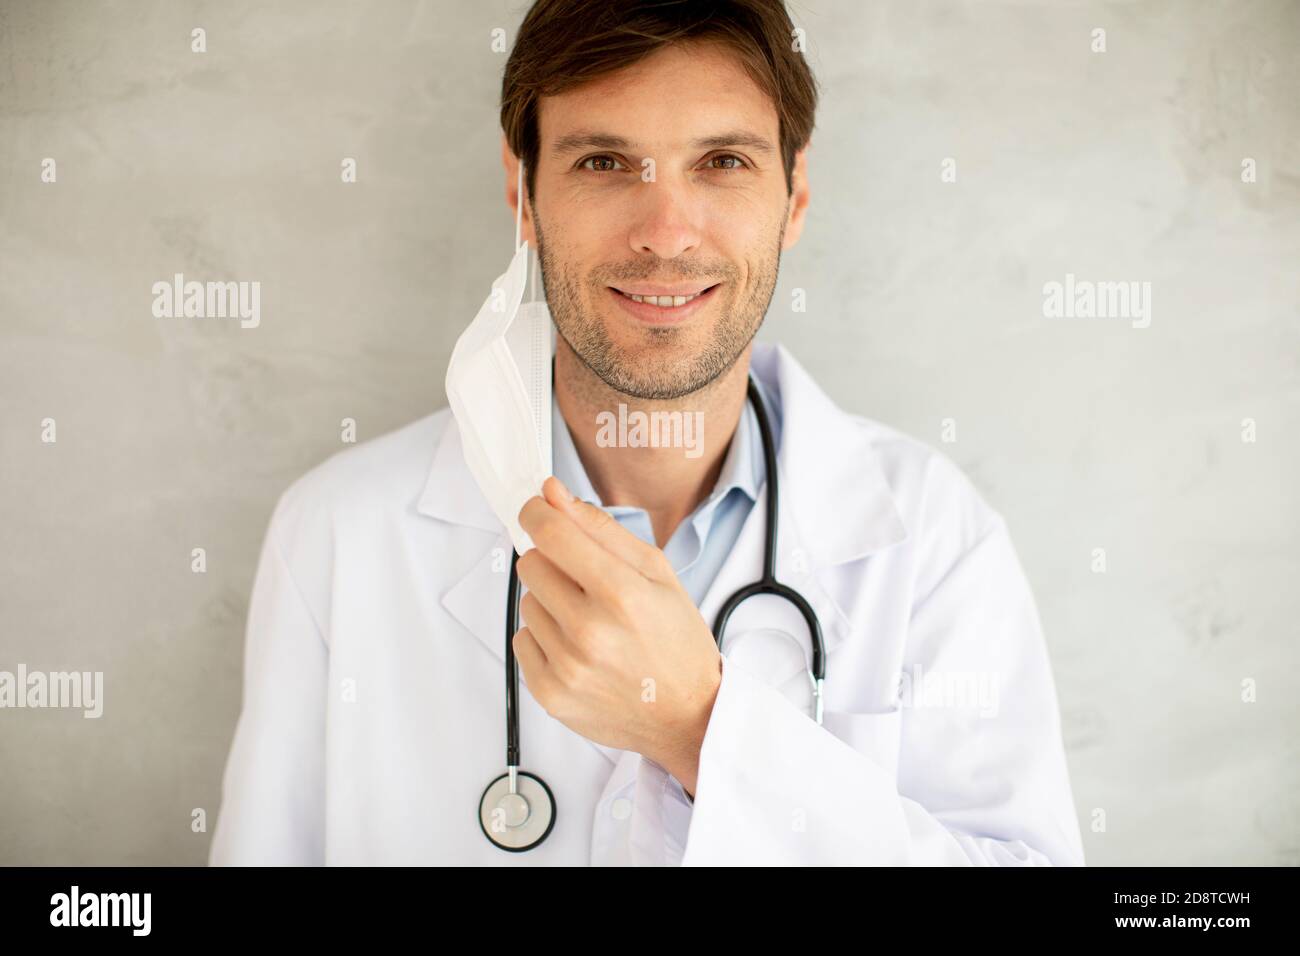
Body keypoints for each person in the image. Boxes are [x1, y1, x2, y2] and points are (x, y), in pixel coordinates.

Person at [210, 0, 1085, 866]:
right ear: (523, 194)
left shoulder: (932, 535)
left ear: (795, 195)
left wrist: (699, 729)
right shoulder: (339, 534)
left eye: (722, 161)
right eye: (602, 160)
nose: (665, 236)